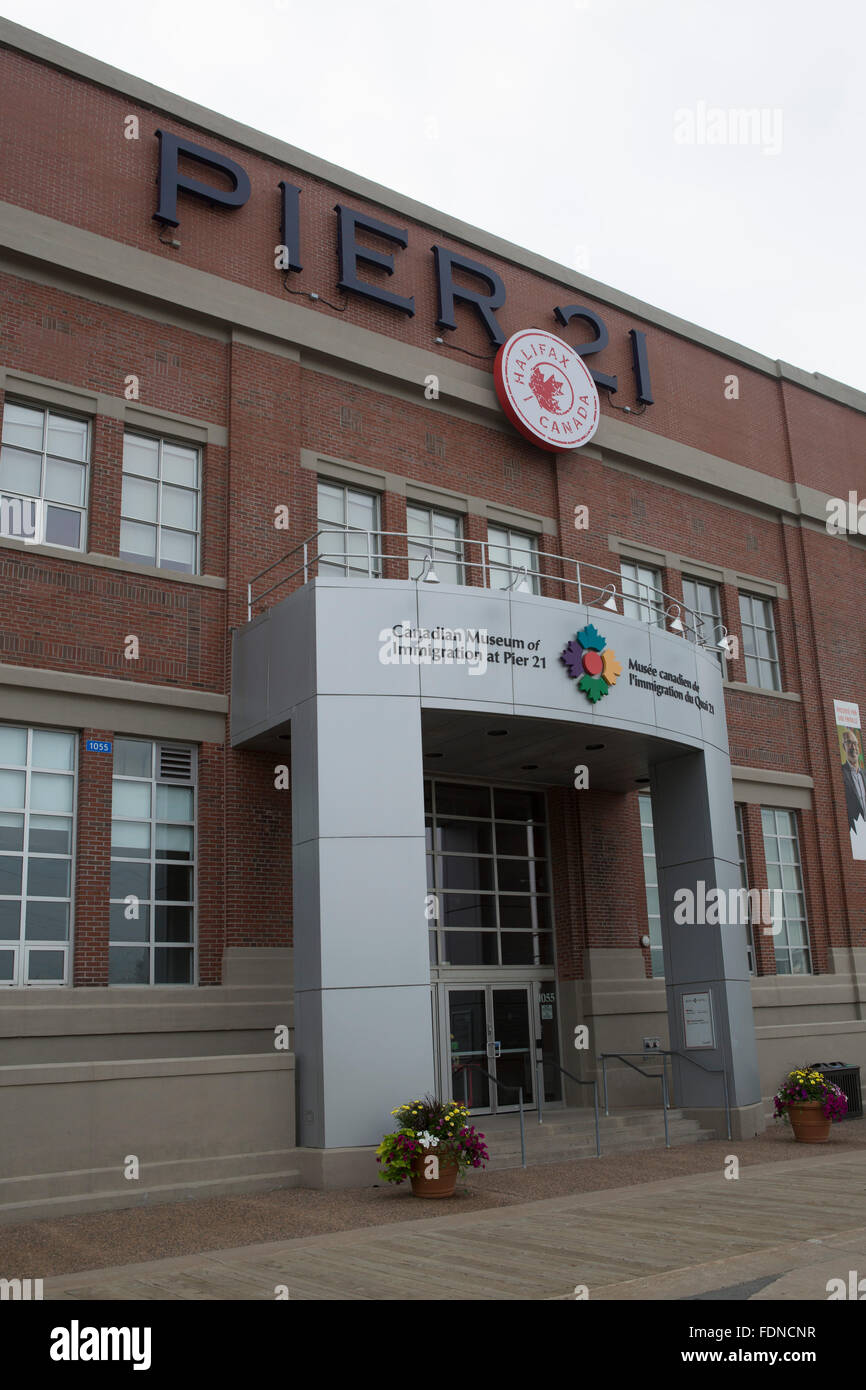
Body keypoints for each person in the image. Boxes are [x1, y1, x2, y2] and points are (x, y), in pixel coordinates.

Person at [841, 728, 866, 834]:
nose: (853, 747)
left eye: (855, 743)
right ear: (843, 746)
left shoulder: (864, 774)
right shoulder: (841, 772)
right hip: (854, 830)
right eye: (849, 742)